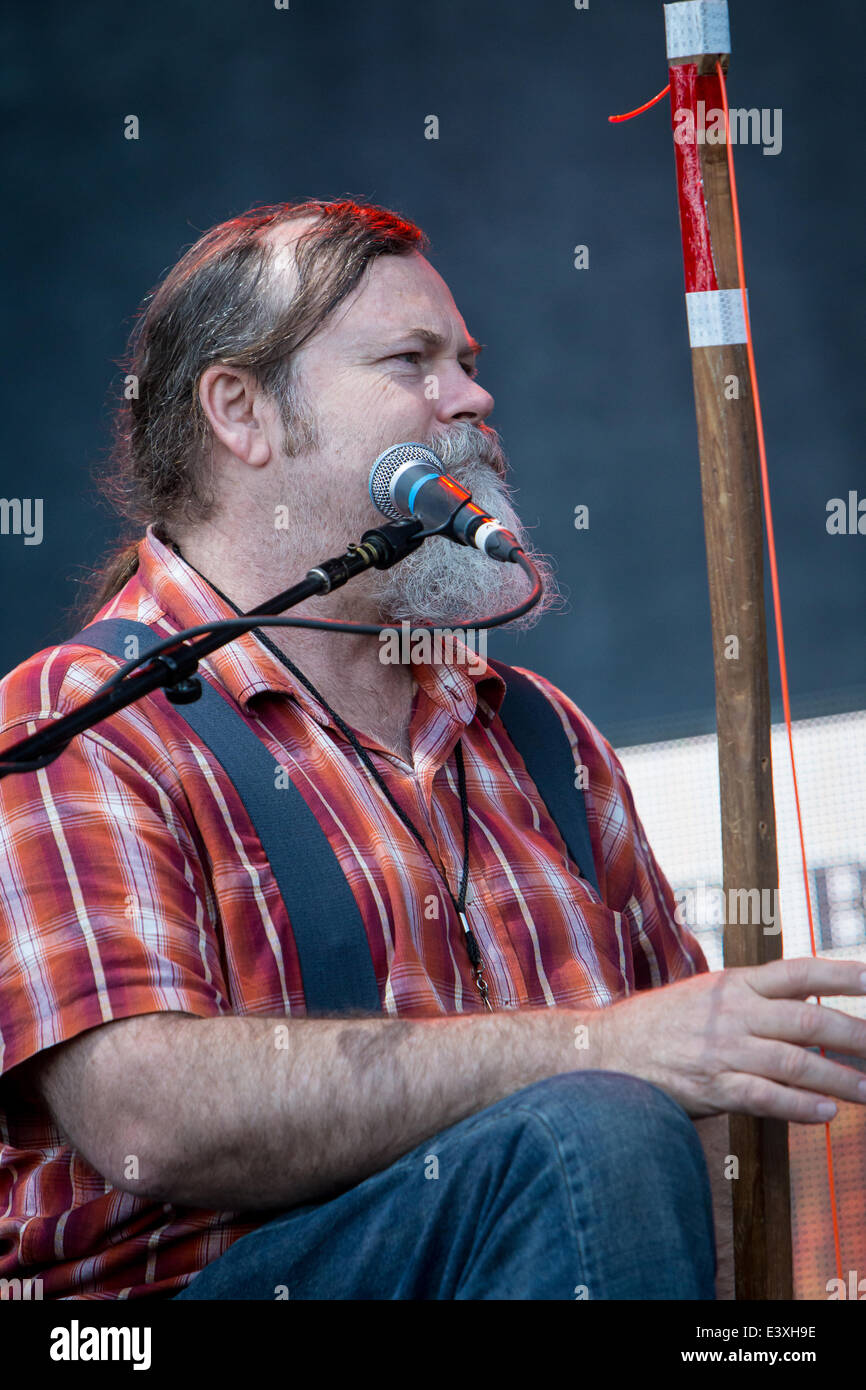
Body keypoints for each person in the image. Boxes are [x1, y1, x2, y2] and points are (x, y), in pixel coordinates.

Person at [1, 200, 864, 1302]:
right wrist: (599, 1046)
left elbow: (694, 1114)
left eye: (466, 361)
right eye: (412, 361)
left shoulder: (545, 737)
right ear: (241, 410)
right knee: (589, 1128)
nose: (471, 396)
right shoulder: (82, 715)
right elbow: (141, 1119)